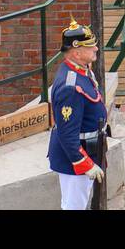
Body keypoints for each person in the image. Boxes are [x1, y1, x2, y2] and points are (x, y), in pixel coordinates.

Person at [47, 20, 107, 210]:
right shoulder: (70, 87)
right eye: (90, 46)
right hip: (75, 159)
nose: (96, 48)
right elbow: (67, 134)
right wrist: (85, 164)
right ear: (76, 52)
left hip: (88, 150)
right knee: (74, 206)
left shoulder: (80, 69)